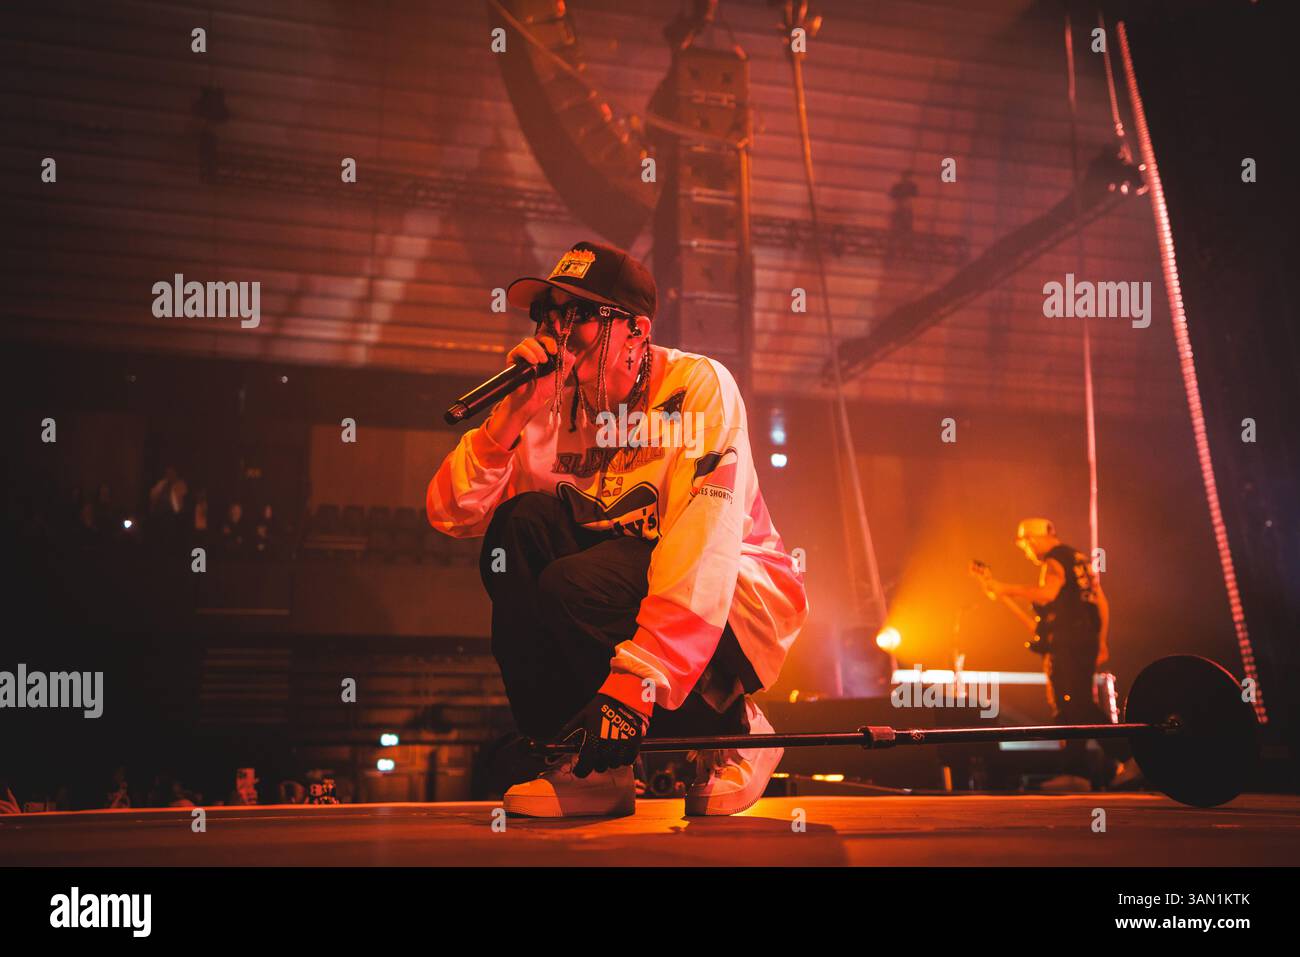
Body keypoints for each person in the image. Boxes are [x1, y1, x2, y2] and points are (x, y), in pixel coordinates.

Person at [427, 240, 808, 817]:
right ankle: (585, 765)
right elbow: (453, 513)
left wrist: (639, 683)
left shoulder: (697, 388)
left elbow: (701, 543)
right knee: (518, 527)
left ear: (636, 331)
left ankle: (735, 727)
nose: (559, 332)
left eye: (579, 315)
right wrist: (509, 415)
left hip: (732, 594)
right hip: (610, 580)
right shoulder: (549, 403)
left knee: (577, 585)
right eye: (549, 314)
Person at [976, 518, 1139, 789]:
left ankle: (1129, 756)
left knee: (1074, 705)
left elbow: (1048, 595)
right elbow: (1100, 601)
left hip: (1067, 646)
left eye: (1025, 544)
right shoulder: (1079, 560)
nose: (1026, 551)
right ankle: (1078, 774)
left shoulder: (1054, 560)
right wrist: (1100, 641)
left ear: (1033, 539)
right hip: (1081, 642)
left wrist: (1007, 588)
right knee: (1072, 706)